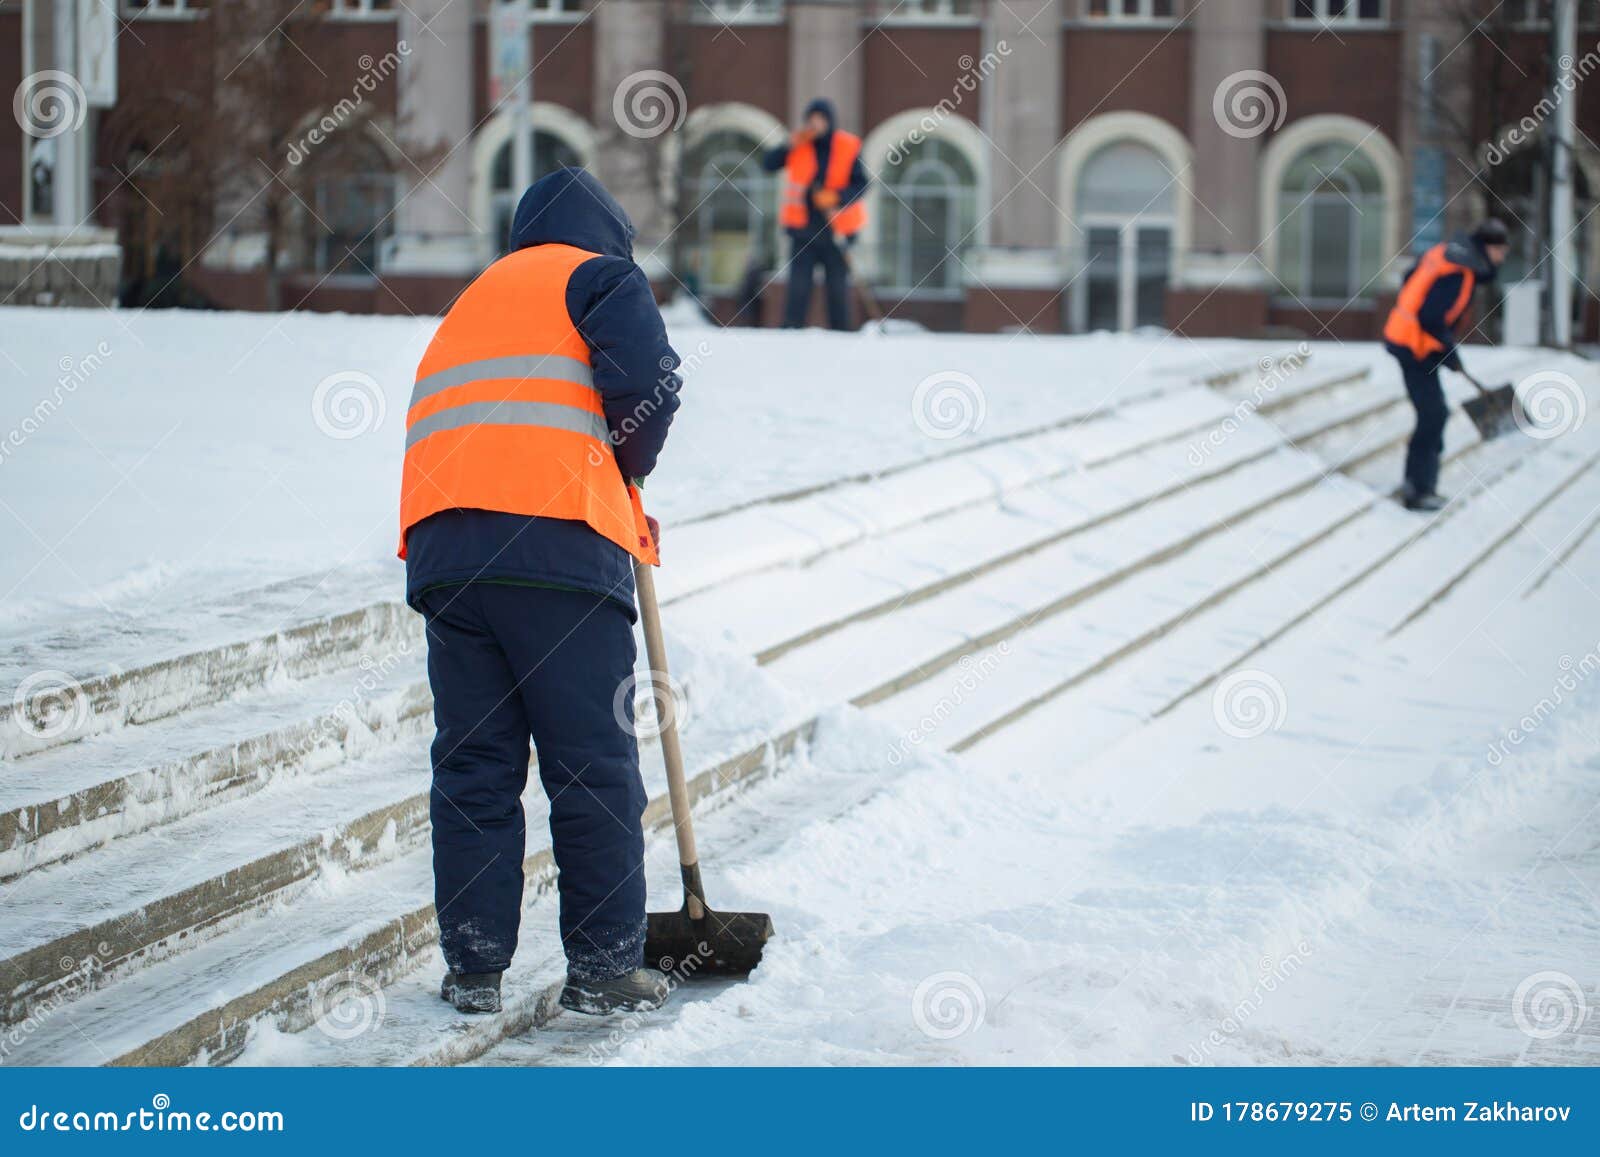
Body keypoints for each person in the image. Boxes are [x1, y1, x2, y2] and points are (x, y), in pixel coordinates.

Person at [397, 167, 681, 1017]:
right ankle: (602, 966)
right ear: (607, 232)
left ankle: (474, 964)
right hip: (556, 547)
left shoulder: (474, 298)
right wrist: (629, 465)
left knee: (475, 763)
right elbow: (649, 385)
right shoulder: (598, 276)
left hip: (447, 553)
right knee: (590, 763)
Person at [1382, 218, 1509, 512]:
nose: (1502, 258)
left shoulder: (1448, 256)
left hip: (1415, 344)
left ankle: (1422, 485)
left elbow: (1411, 280)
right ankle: (1417, 488)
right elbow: (1430, 317)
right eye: (1501, 251)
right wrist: (1448, 351)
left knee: (1434, 413)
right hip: (1411, 347)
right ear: (1488, 248)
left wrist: (1440, 348)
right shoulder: (1458, 272)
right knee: (1433, 413)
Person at [763, 98, 870, 330]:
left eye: (820, 119)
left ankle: (841, 335)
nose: (815, 124)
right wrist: (786, 146)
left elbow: (862, 184)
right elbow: (768, 164)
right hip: (803, 231)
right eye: (811, 119)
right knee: (798, 289)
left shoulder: (848, 145)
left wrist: (837, 197)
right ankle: (791, 333)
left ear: (830, 121)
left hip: (837, 230)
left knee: (837, 290)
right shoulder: (798, 145)